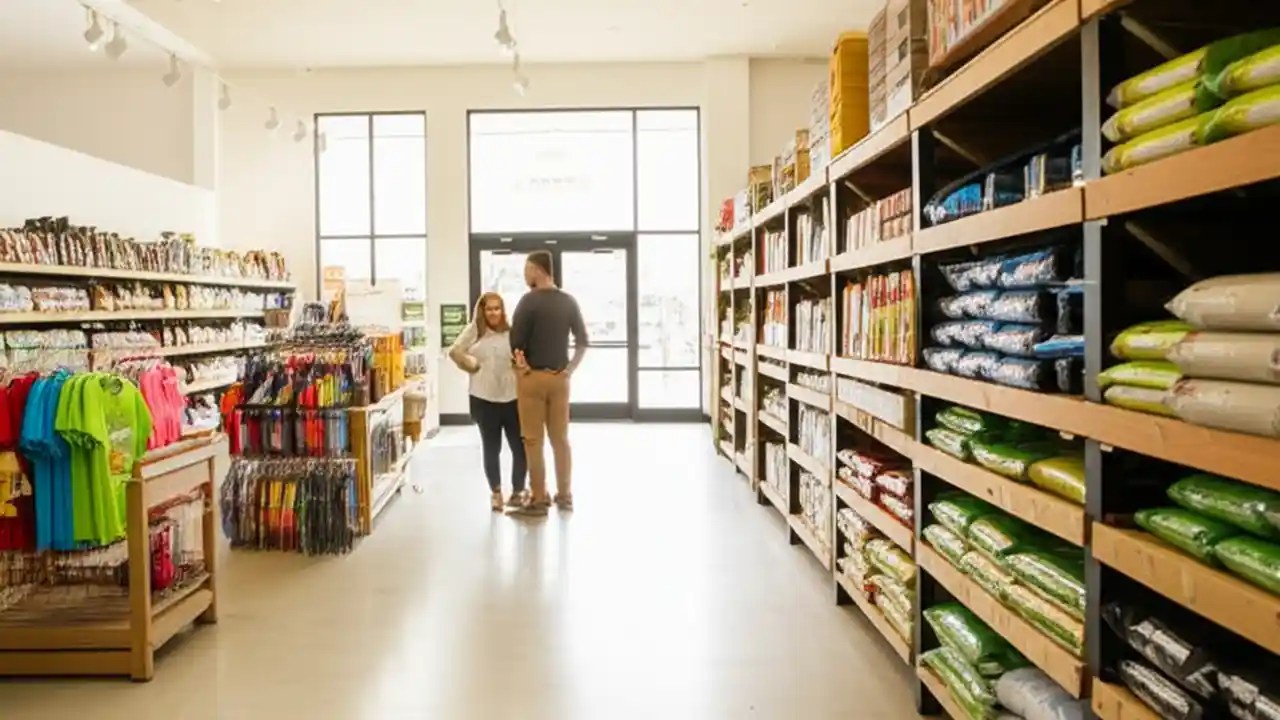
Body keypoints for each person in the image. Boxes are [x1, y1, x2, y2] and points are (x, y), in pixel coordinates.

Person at [507, 250, 587, 517]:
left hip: (533, 379)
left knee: (533, 440)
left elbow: (515, 342)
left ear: (536, 269)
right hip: (560, 379)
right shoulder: (569, 302)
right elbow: (582, 340)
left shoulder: (528, 302)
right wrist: (570, 369)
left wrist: (521, 366)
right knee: (560, 440)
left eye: (527, 269)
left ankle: (539, 498)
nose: (525, 275)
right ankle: (565, 496)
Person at [448, 292, 527, 511]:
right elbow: (455, 352)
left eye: (497, 308)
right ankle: (496, 492)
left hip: (512, 397)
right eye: (489, 309)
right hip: (484, 398)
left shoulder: (512, 333)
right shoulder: (474, 331)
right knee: (492, 448)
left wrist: (520, 365)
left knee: (519, 448)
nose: (493, 313)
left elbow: (523, 357)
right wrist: (471, 364)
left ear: (502, 310)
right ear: (482, 311)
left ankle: (518, 491)